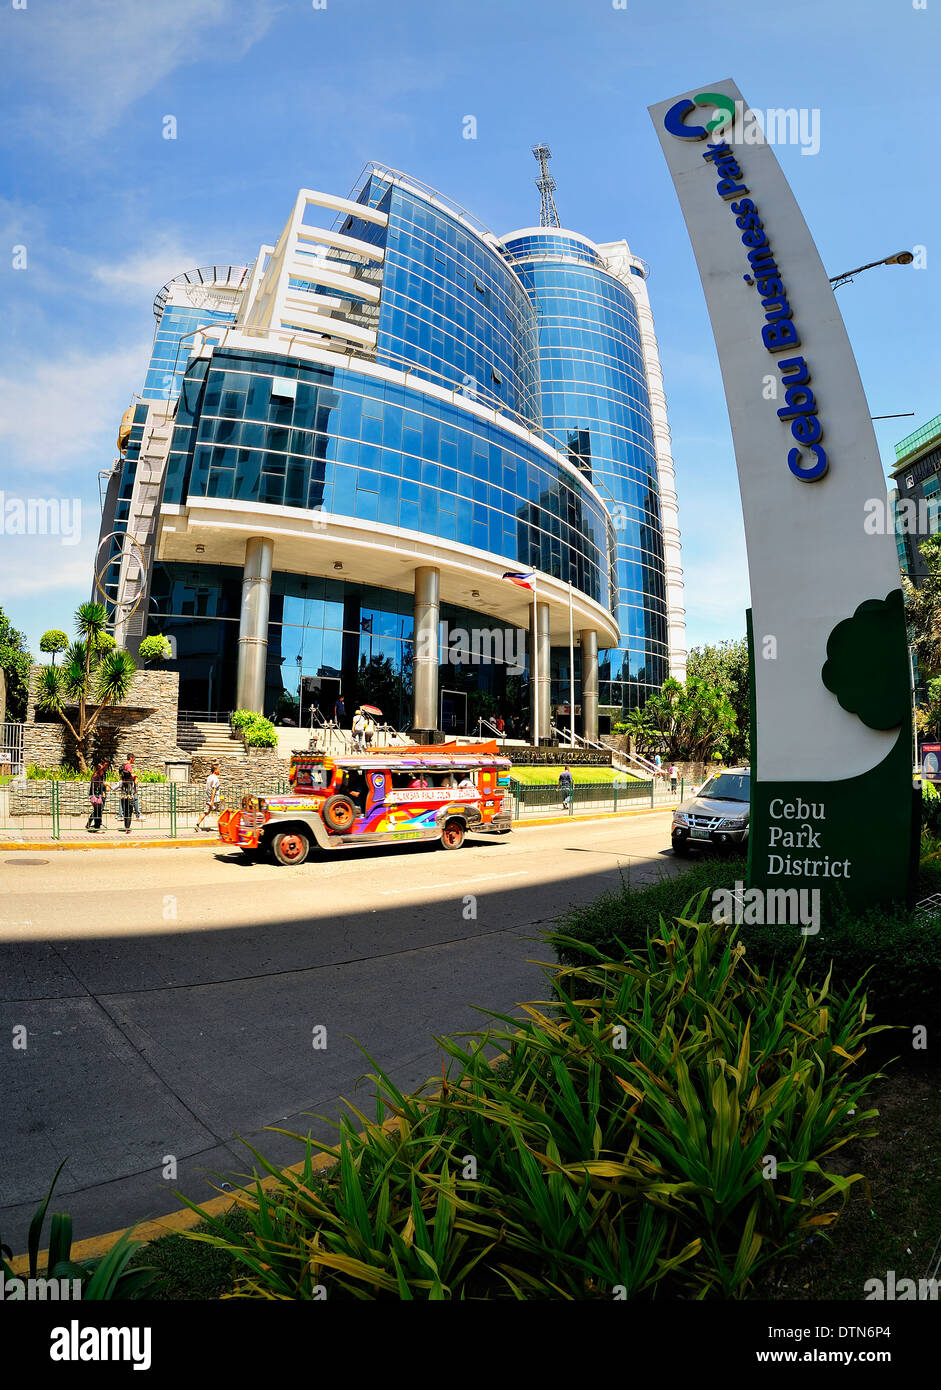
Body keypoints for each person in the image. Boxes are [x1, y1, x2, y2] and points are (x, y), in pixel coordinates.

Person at [196, 763, 222, 831]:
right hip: (215, 799)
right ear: (215, 770)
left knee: (205, 812)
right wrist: (212, 801)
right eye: (219, 769)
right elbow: (214, 790)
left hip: (208, 798)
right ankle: (223, 828)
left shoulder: (209, 777)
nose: (219, 771)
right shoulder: (215, 779)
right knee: (221, 813)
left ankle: (197, 825)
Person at [86, 762, 109, 832]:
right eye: (102, 770)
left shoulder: (99, 776)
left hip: (97, 796)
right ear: (99, 770)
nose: (103, 771)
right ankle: (96, 827)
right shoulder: (96, 776)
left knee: (98, 811)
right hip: (95, 796)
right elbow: (96, 787)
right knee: (97, 812)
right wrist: (103, 786)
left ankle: (97, 827)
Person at [121, 753, 142, 823]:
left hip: (124, 783)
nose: (134, 760)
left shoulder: (124, 765)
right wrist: (135, 776)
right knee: (134, 798)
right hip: (129, 785)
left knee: (123, 798)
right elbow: (129, 775)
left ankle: (120, 815)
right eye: (134, 759)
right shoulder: (129, 766)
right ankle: (138, 815)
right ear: (131, 758)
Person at [118, 758, 137, 834]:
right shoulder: (131, 782)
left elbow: (114, 787)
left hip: (123, 797)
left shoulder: (122, 781)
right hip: (130, 797)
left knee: (125, 812)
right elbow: (135, 788)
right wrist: (135, 778)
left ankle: (126, 827)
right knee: (129, 812)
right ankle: (128, 828)